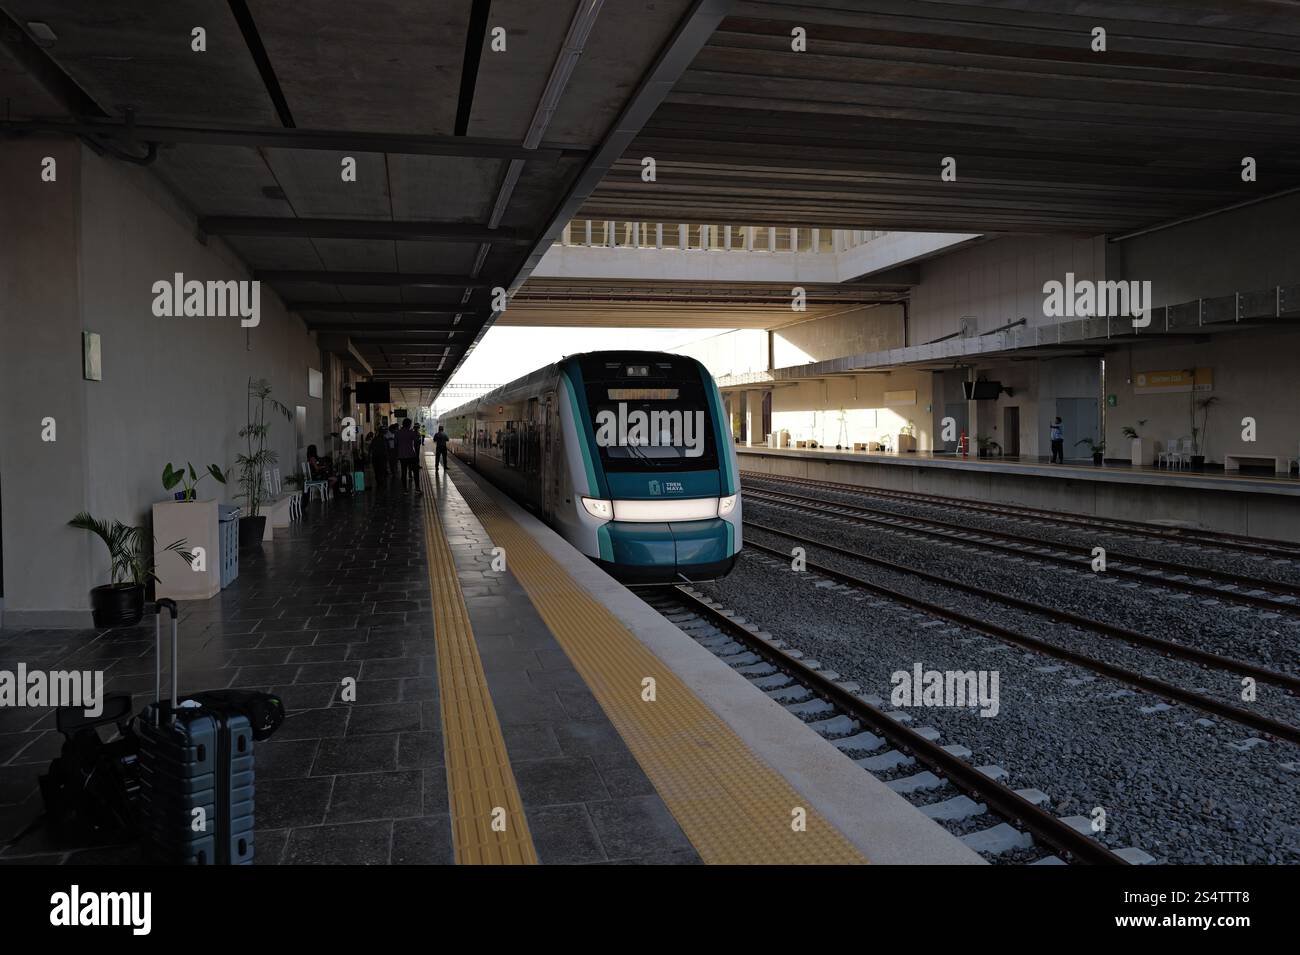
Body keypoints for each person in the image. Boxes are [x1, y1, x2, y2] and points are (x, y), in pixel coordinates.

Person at [396, 417, 421, 493]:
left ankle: (405, 490)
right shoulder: (411, 432)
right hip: (411, 455)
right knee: (415, 471)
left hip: (402, 456)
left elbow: (395, 444)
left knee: (403, 472)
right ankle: (417, 488)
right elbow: (417, 440)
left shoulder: (397, 433)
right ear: (409, 425)